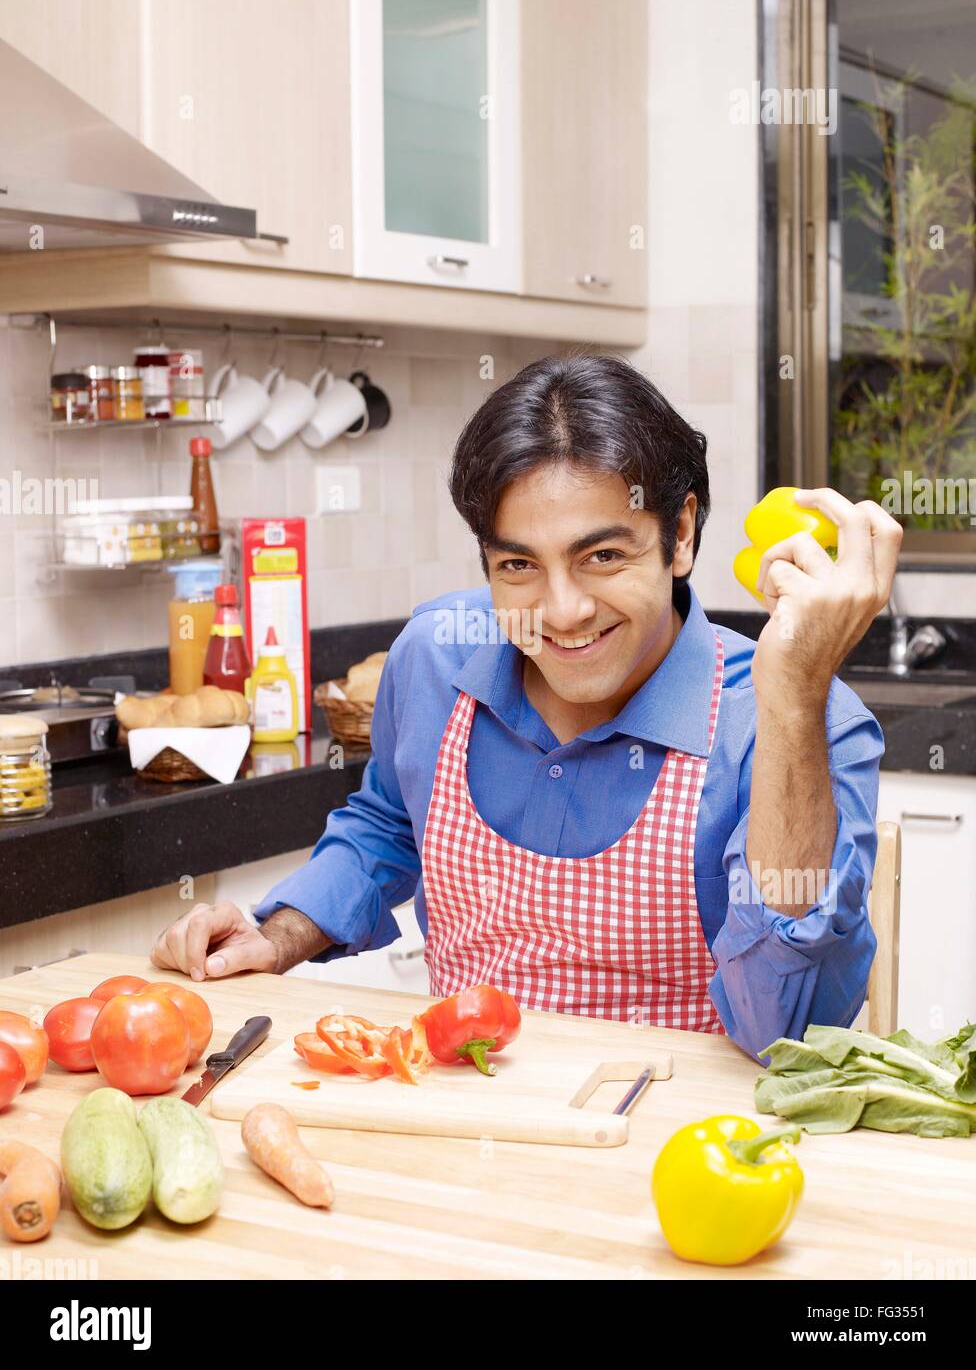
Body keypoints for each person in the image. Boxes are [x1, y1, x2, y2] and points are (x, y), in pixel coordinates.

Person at [151, 354, 902, 1059]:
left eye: (602, 556)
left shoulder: (795, 720)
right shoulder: (436, 658)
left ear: (678, 533)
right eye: (518, 566)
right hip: (464, 1118)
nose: (564, 611)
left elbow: (788, 1029)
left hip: (683, 1158)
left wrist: (795, 703)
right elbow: (388, 825)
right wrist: (277, 934)